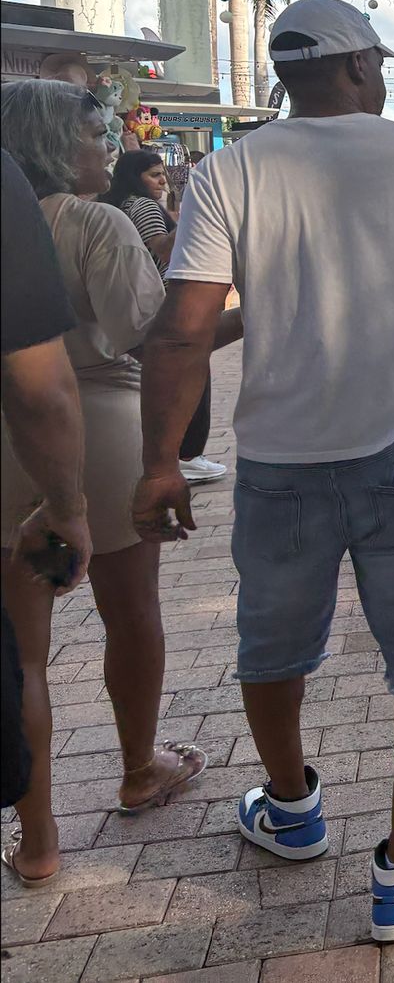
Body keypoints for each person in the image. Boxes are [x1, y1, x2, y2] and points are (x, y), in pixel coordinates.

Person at [133, 0, 394, 943]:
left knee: (273, 643)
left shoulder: (229, 169)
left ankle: (291, 811)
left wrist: (161, 463)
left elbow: (183, 329)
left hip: (280, 461)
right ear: (360, 66)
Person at [2, 87, 223, 887]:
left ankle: (38, 842)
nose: (109, 146)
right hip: (99, 435)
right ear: (55, 145)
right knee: (130, 614)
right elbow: (153, 338)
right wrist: (246, 313)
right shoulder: (97, 224)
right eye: (96, 132)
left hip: (8, 440)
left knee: (22, 654)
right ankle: (138, 769)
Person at [2, 149, 87, 848]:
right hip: (27, 457)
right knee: (27, 655)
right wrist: (67, 508)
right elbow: (39, 388)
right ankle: (38, 839)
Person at [102, 150, 226, 486]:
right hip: (165, 299)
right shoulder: (143, 206)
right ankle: (186, 455)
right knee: (190, 372)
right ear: (135, 177)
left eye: (162, 175)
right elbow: (163, 248)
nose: (162, 182)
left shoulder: (121, 205)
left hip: (143, 302)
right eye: (154, 175)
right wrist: (196, 217)